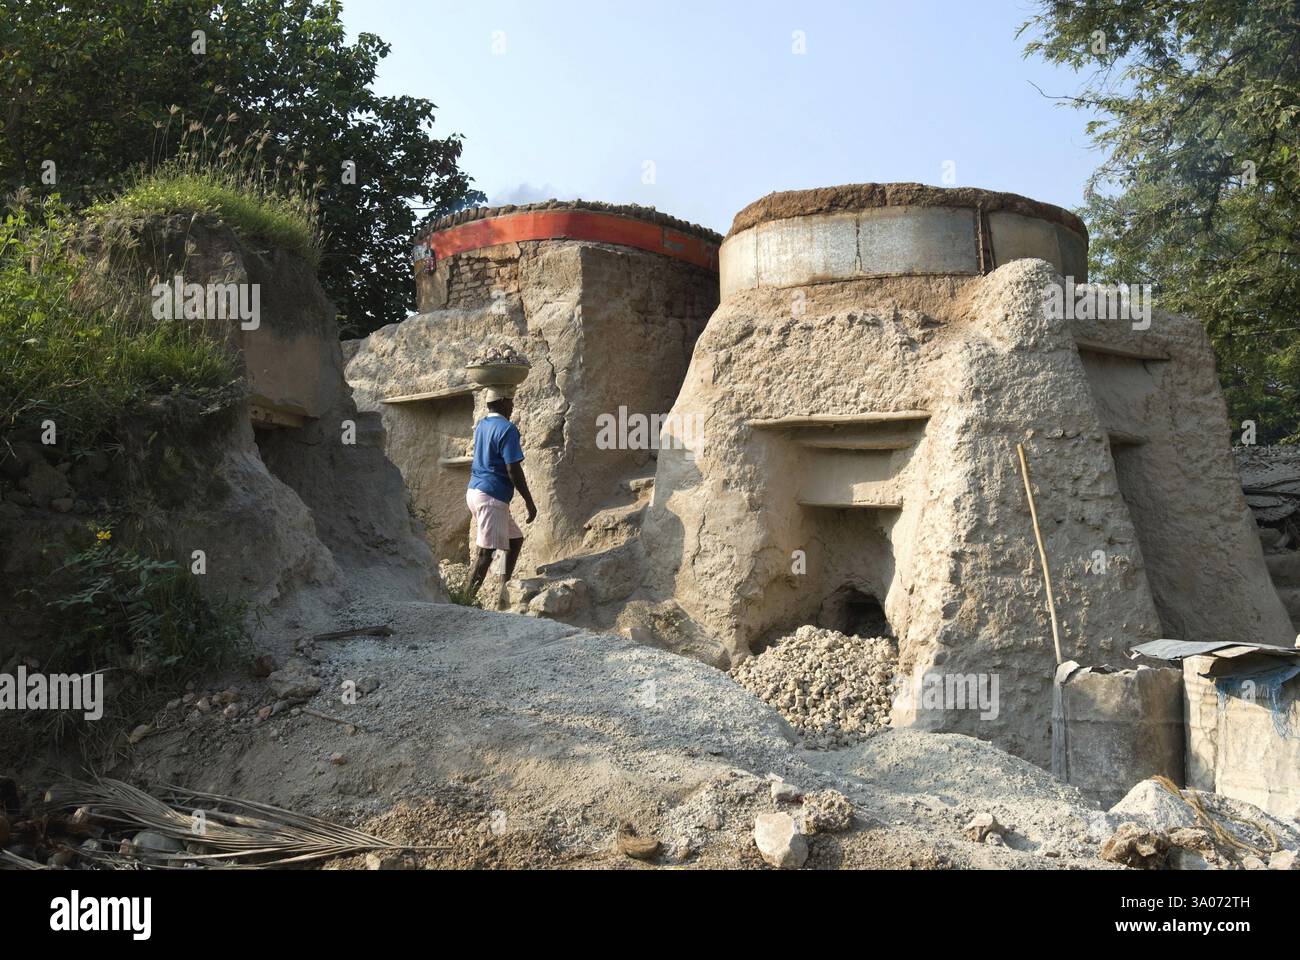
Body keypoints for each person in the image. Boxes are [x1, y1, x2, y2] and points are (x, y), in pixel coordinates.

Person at [465, 389, 536, 599]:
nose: (513, 406)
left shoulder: (482, 425)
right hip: (491, 497)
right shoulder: (507, 429)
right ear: (504, 402)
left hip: (475, 491)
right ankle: (463, 603)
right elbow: (513, 469)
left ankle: (502, 592)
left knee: (514, 540)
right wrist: (529, 502)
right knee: (484, 554)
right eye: (511, 402)